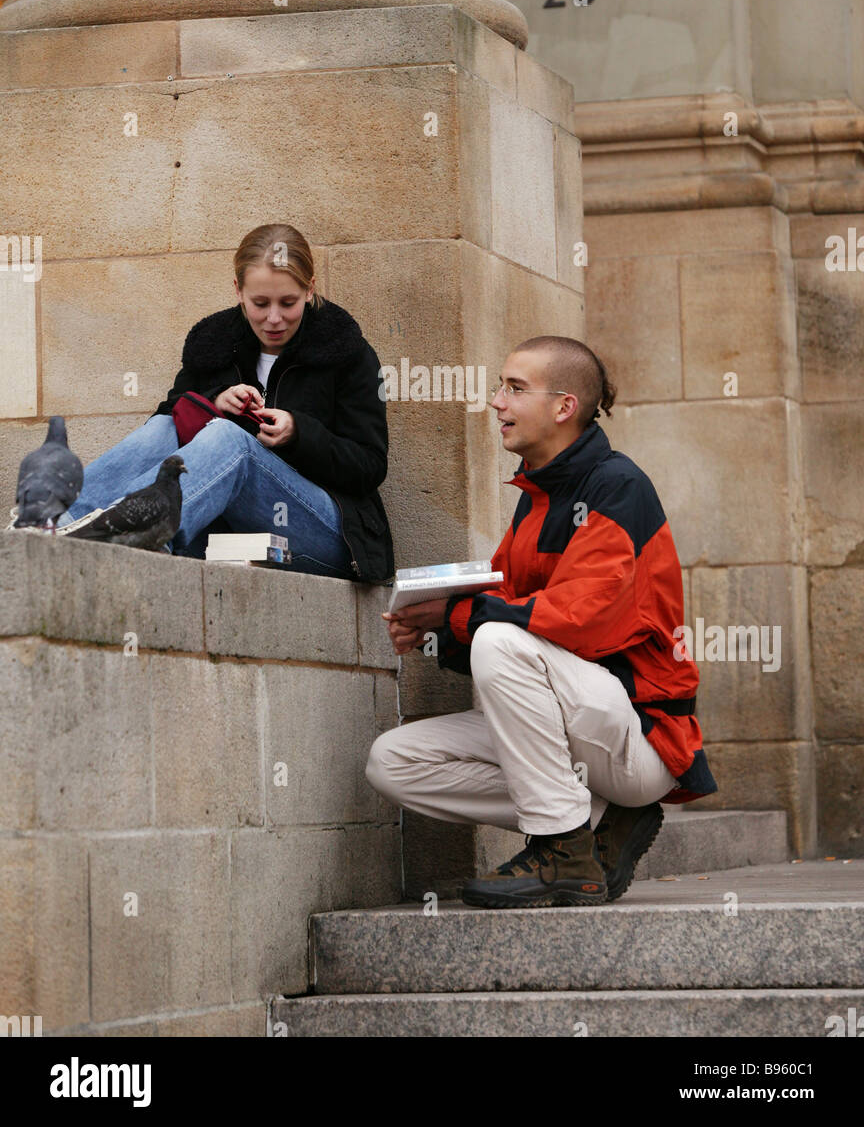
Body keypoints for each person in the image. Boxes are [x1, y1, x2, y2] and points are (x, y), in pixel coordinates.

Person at [366, 335, 717, 907]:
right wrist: (436, 629)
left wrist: (461, 619)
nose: (497, 402)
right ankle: (592, 822)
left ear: (563, 407)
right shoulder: (537, 494)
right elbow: (502, 603)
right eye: (500, 387)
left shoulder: (616, 485)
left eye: (515, 388)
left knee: (500, 639)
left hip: (640, 734)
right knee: (393, 762)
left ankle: (561, 850)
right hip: (587, 737)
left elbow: (579, 619)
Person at [56, 223, 394, 583]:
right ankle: (55, 523)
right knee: (165, 425)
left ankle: (132, 534)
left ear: (310, 289)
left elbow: (370, 465)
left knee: (230, 440)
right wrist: (215, 400)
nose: (274, 318)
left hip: (327, 533)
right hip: (225, 531)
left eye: (288, 303)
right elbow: (171, 420)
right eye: (260, 304)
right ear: (238, 291)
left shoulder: (346, 351)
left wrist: (299, 433)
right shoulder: (215, 343)